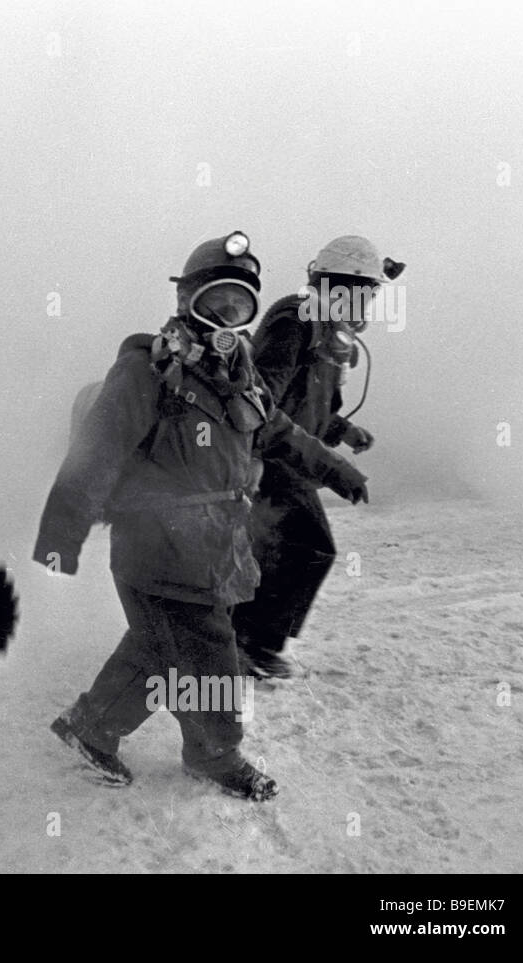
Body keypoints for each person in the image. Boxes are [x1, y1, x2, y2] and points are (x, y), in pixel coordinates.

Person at [33, 232, 370, 800]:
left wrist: (336, 469)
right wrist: (60, 538)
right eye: (215, 302)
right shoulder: (148, 370)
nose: (226, 318)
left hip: (214, 547)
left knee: (160, 646)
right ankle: (215, 754)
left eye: (240, 307)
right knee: (213, 657)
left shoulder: (237, 371)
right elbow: (97, 453)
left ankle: (88, 727)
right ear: (187, 299)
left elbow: (279, 432)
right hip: (156, 549)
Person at [232, 236, 404, 679]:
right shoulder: (296, 322)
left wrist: (345, 430)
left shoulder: (328, 332)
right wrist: (332, 466)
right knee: (311, 546)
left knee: (277, 550)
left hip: (293, 457)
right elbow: (262, 406)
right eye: (367, 291)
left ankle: (244, 640)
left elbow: (314, 408)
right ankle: (250, 645)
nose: (371, 302)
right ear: (341, 286)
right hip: (270, 458)